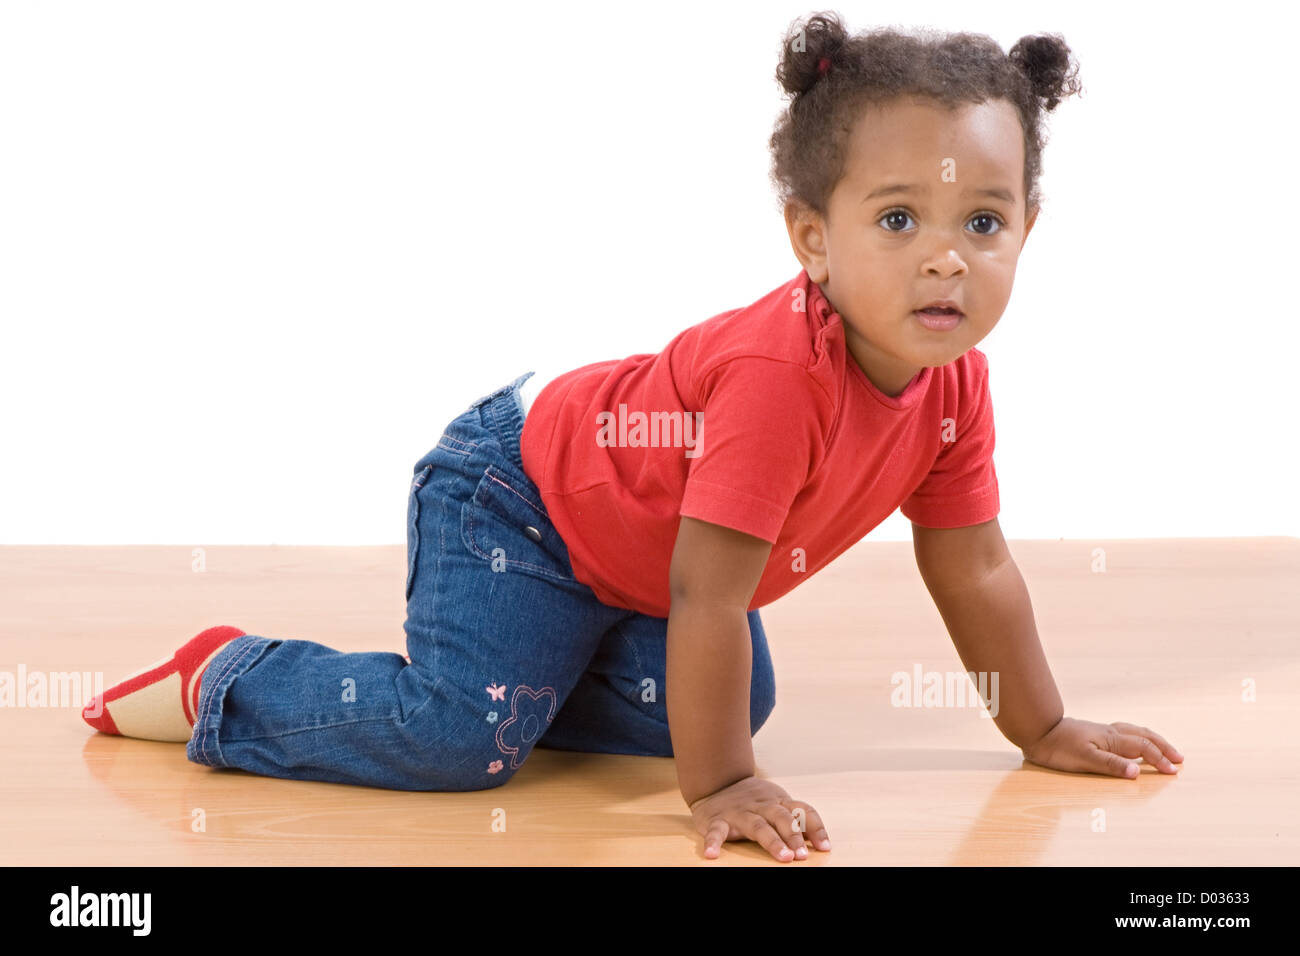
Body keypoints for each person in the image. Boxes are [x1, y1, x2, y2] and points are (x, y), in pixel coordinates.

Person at [82, 11, 1184, 863]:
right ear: (812, 237)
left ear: (1025, 231)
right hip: (514, 498)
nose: (946, 257)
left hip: (637, 562)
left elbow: (975, 564)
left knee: (729, 701)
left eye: (981, 222)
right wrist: (722, 789)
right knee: (466, 740)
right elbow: (710, 594)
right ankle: (229, 676)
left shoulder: (954, 386)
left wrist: (1038, 726)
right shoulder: (776, 380)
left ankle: (544, 657)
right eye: (897, 220)